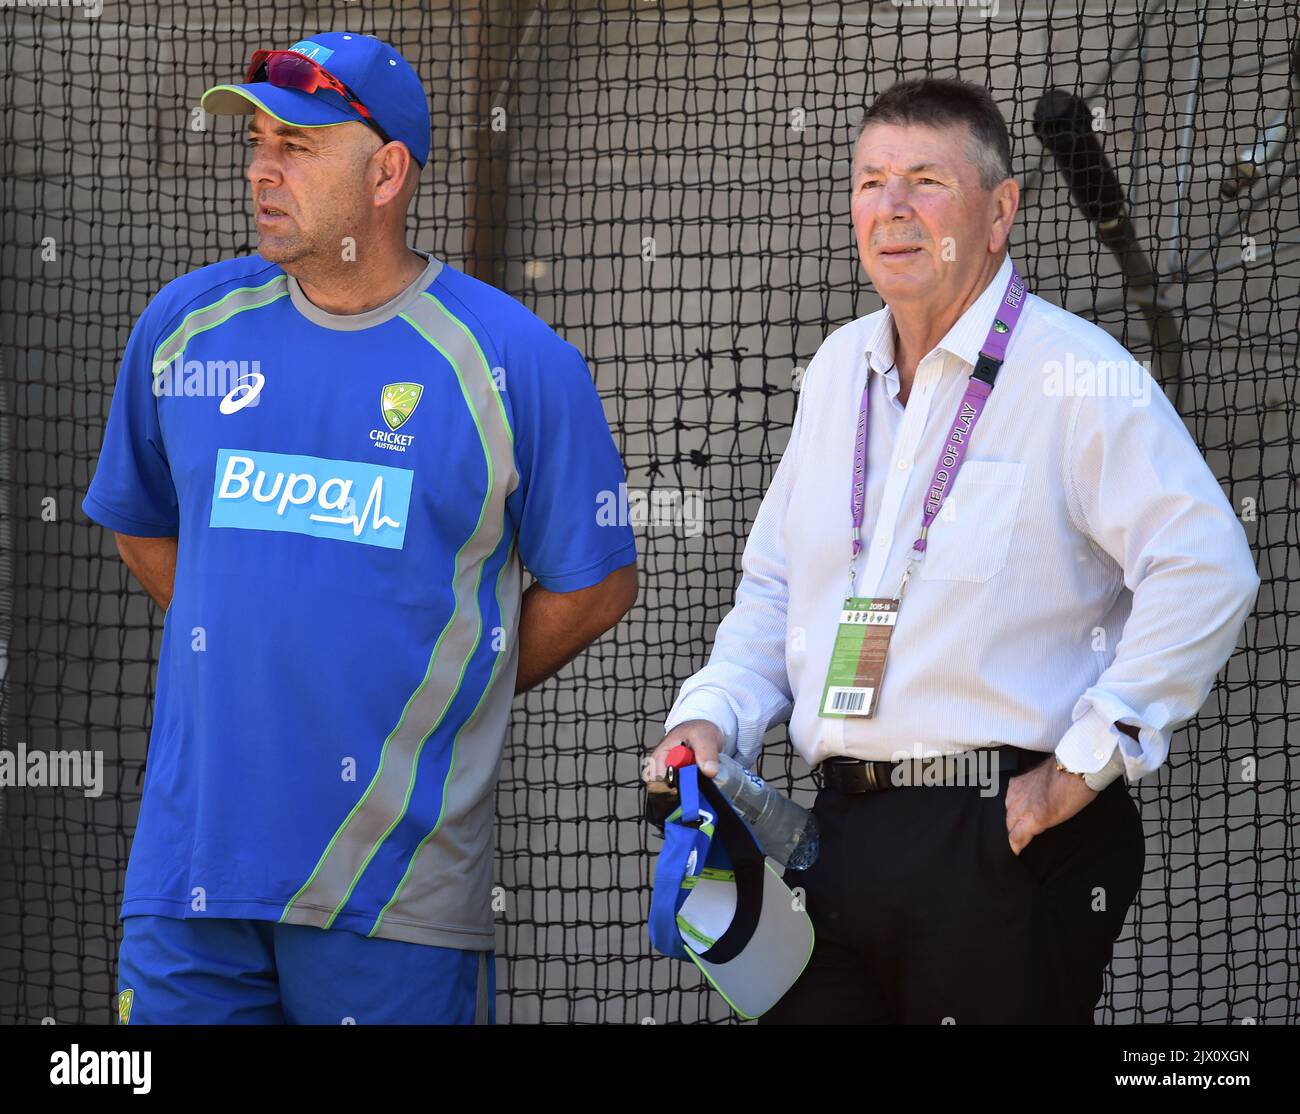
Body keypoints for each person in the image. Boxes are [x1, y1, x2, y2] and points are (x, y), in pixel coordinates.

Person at [648, 77, 1259, 1024]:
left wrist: (1088, 760)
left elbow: (1206, 565)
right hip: (837, 839)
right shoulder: (835, 372)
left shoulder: (1075, 372)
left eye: (925, 180)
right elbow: (775, 591)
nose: (890, 208)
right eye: (870, 181)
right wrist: (712, 718)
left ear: (1000, 209)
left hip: (1001, 837)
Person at [83, 32, 637, 1025]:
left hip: (393, 895)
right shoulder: (182, 329)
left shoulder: (515, 360)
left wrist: (445, 685)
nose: (260, 168)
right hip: (189, 880)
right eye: (256, 141)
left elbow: (596, 584)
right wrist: (257, 633)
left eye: (296, 145)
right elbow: (144, 528)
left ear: (386, 172)